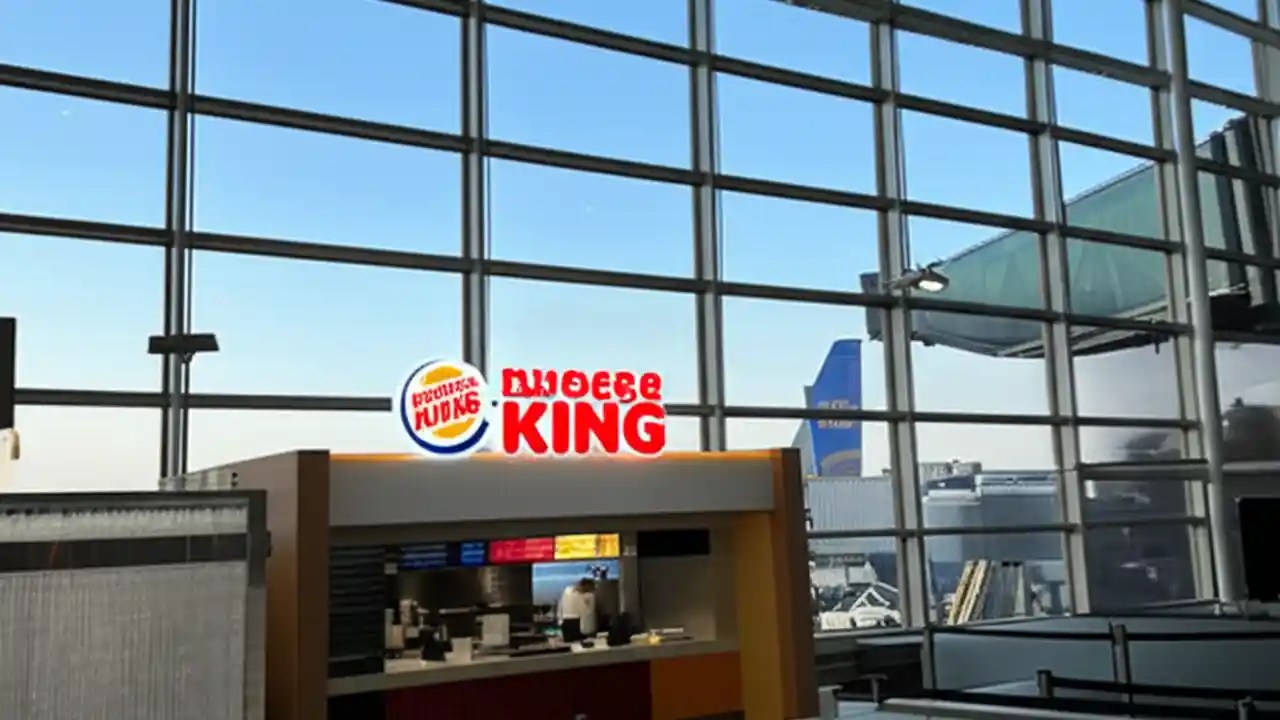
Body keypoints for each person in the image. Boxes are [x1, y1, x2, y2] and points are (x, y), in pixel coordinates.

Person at [558, 577, 597, 642]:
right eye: (588, 589)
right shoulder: (571, 593)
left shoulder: (570, 592)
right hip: (571, 623)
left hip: (573, 623)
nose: (588, 591)